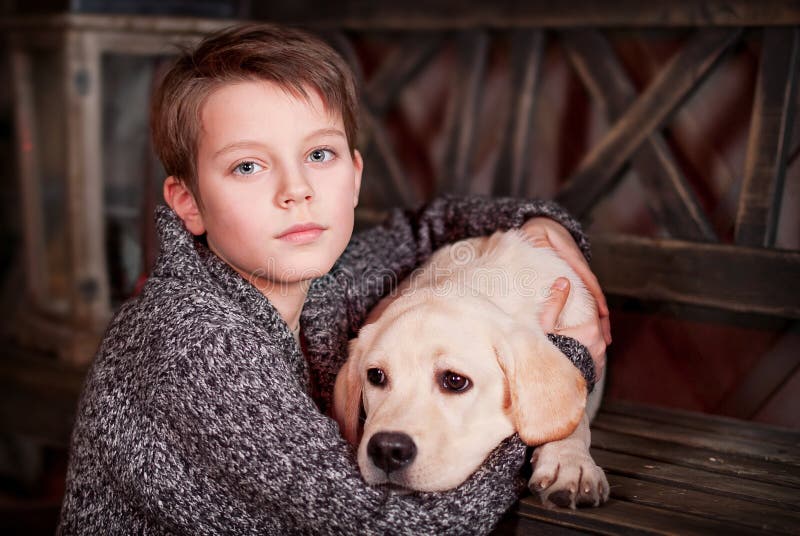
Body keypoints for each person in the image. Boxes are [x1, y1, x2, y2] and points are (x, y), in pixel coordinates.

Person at [57, 23, 610, 535]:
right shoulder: (192, 339)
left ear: (355, 176)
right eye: (248, 166)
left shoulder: (328, 280)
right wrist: (560, 362)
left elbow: (425, 227)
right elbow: (393, 527)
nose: (295, 190)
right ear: (188, 204)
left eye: (319, 154)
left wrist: (543, 225)